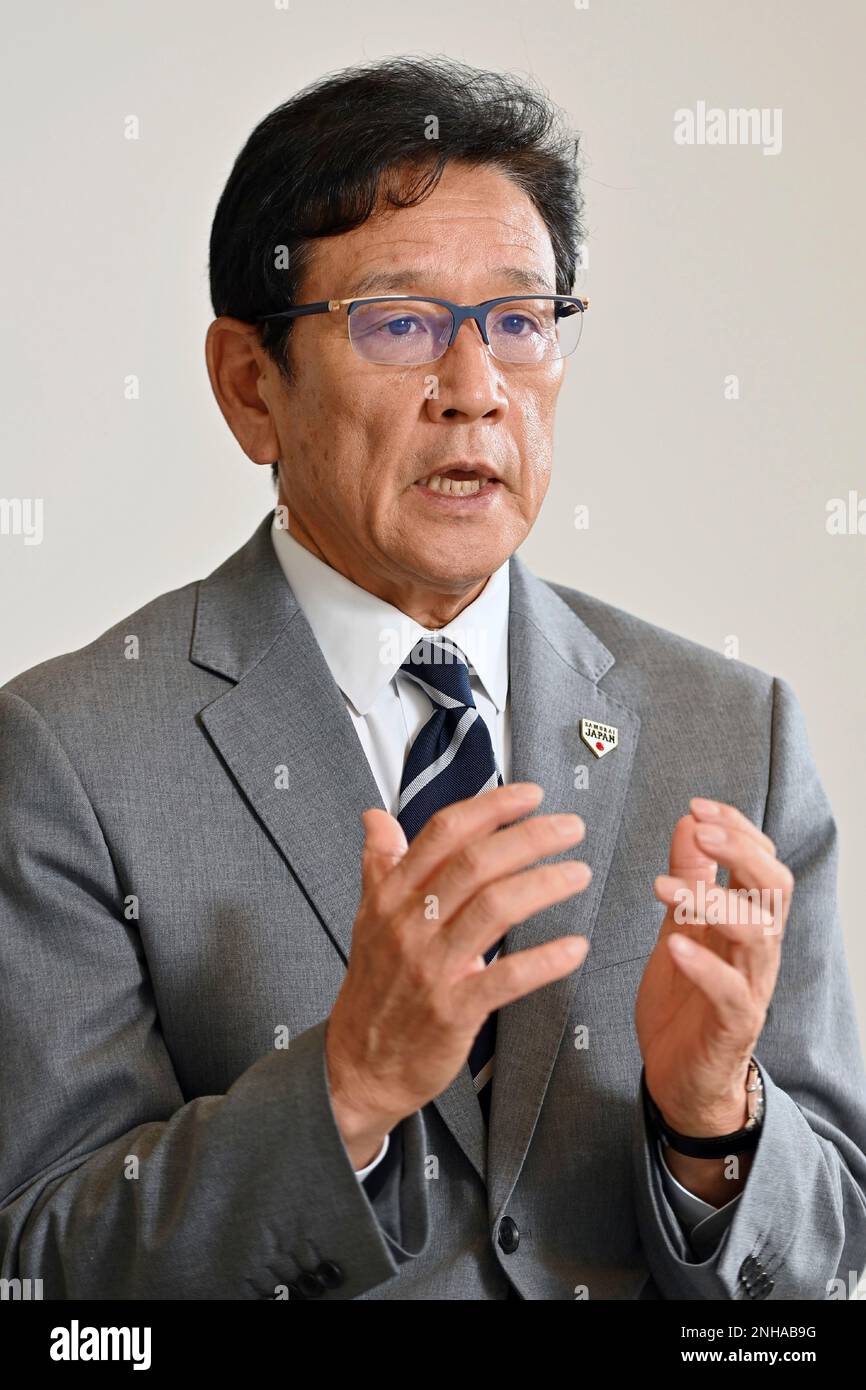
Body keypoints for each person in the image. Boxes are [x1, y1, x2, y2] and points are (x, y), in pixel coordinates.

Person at [1, 55, 864, 1301]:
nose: (474, 392)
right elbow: (41, 1280)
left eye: (517, 322)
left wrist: (711, 1124)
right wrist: (344, 1088)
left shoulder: (733, 732)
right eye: (398, 324)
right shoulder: (68, 753)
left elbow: (829, 1277)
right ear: (253, 388)